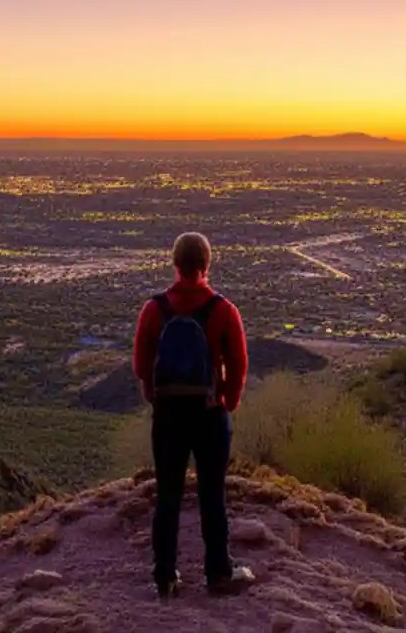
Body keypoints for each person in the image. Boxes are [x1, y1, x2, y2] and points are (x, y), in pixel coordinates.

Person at [133, 232, 255, 598]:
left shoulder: (154, 310)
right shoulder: (223, 310)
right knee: (211, 494)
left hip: (169, 417)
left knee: (167, 495)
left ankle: (165, 577)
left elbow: (142, 366)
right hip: (209, 416)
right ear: (207, 264)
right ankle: (218, 572)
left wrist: (157, 399)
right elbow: (238, 366)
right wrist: (226, 404)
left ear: (175, 264)